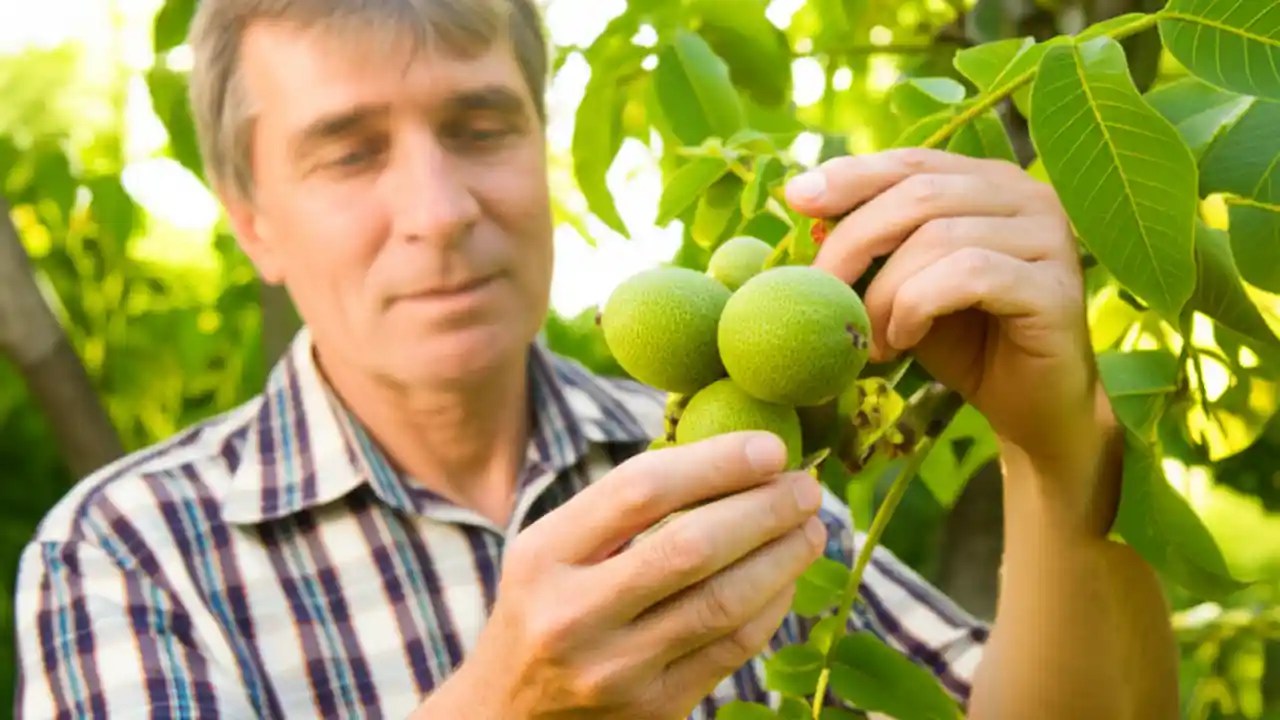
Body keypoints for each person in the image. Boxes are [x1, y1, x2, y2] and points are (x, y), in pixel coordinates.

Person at [13, 0, 1180, 717]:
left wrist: (1055, 449)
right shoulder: (125, 549)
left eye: (479, 127)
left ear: (541, 147)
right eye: (348, 153)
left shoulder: (729, 454)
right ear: (251, 219)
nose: (438, 209)